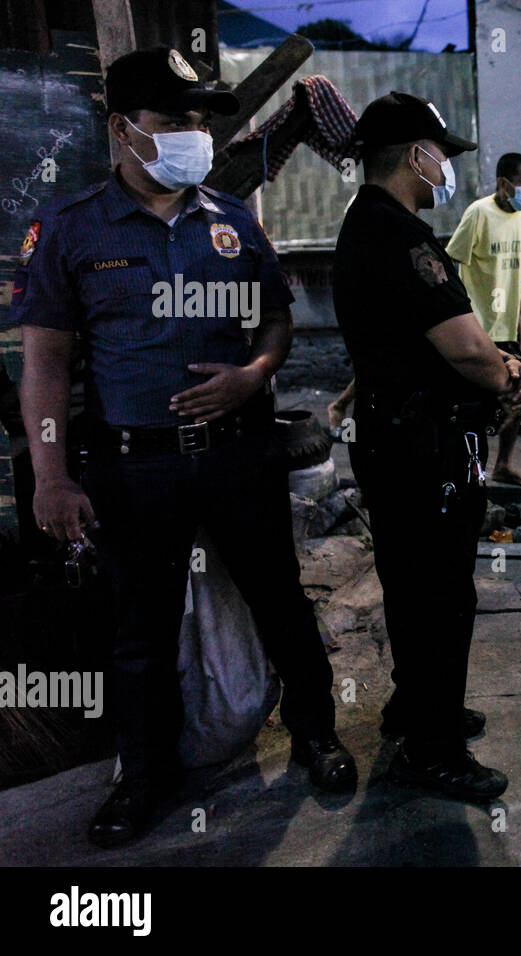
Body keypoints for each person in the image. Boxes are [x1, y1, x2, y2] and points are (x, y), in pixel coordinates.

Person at [15, 48, 354, 847]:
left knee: (279, 600)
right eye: (174, 122)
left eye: (201, 122)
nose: (193, 137)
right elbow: (45, 364)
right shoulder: (71, 228)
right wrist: (52, 477)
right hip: (136, 466)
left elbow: (276, 321)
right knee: (141, 627)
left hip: (238, 452)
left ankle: (317, 736)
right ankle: (144, 776)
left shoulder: (233, 222)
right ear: (124, 131)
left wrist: (255, 374)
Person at [335, 91, 521, 802]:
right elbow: (469, 352)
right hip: (422, 445)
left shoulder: (369, 225)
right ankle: (433, 748)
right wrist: (508, 370)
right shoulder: (399, 235)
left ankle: (416, 709)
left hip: (398, 437)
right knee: (440, 595)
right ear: (416, 155)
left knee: (413, 583)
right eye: (441, 154)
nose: (446, 168)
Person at [445, 151, 521, 486]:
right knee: (478, 406)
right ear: (504, 183)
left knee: (517, 399)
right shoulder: (478, 213)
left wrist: (520, 324)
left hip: (509, 325)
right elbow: (450, 265)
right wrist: (461, 322)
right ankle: (473, 472)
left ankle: (503, 465)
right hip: (480, 328)